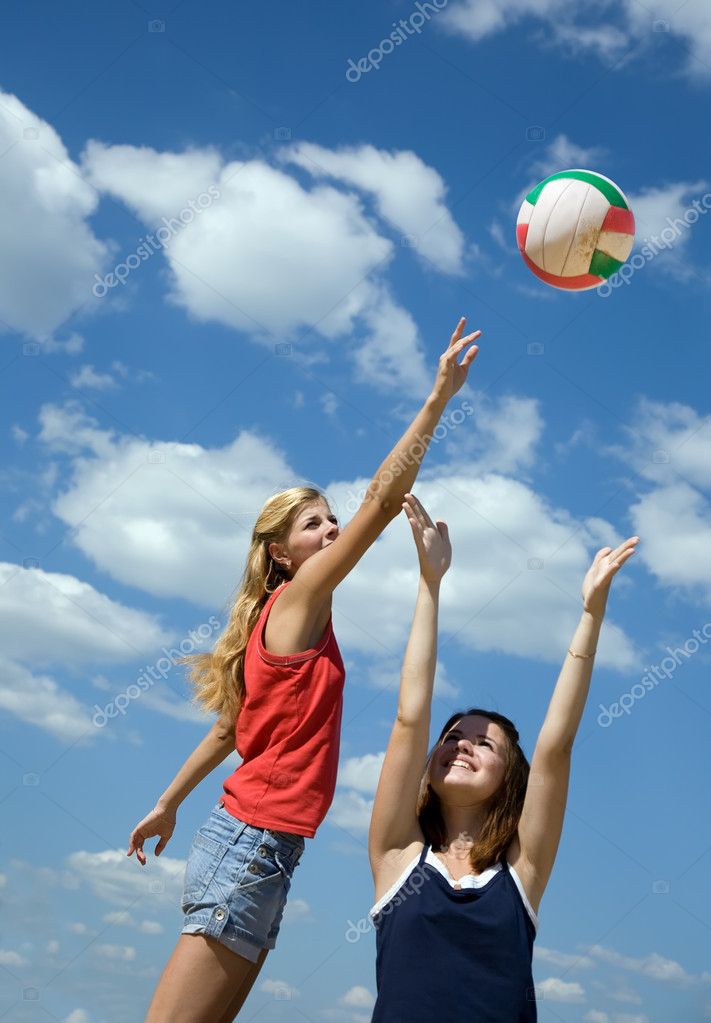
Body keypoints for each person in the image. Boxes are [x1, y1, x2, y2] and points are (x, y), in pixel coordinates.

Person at [126, 317, 482, 1023]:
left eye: (330, 519)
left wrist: (167, 801)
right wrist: (437, 399)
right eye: (314, 524)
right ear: (281, 554)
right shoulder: (299, 599)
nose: (331, 530)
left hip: (265, 848)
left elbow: (230, 731)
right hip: (250, 841)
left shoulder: (287, 625)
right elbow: (382, 502)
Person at [368, 492, 639, 1021]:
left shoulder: (521, 871)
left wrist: (590, 613)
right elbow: (410, 716)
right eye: (451, 737)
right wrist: (429, 583)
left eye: (482, 742)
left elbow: (555, 747)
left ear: (509, 777)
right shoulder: (398, 858)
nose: (460, 743)